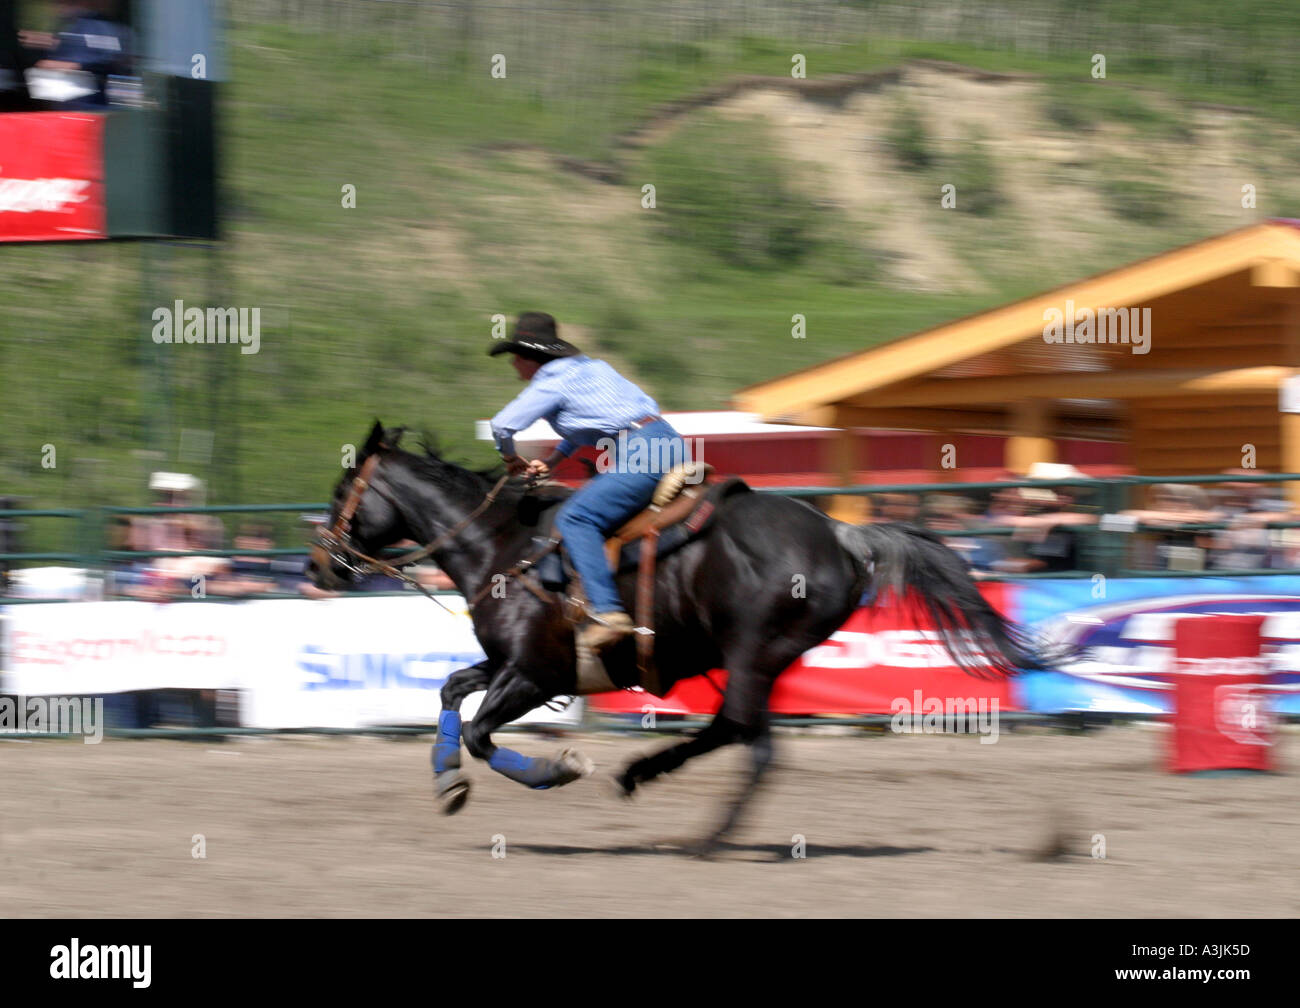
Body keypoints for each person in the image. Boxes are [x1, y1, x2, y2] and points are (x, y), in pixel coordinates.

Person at [489, 312, 687, 651]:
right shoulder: (590, 369)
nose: (513, 365)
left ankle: (609, 613)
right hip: (665, 440)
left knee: (576, 517)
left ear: (531, 359)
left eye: (516, 357)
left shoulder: (550, 382)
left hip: (642, 452)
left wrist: (510, 458)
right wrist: (553, 461)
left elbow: (502, 426)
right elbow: (591, 426)